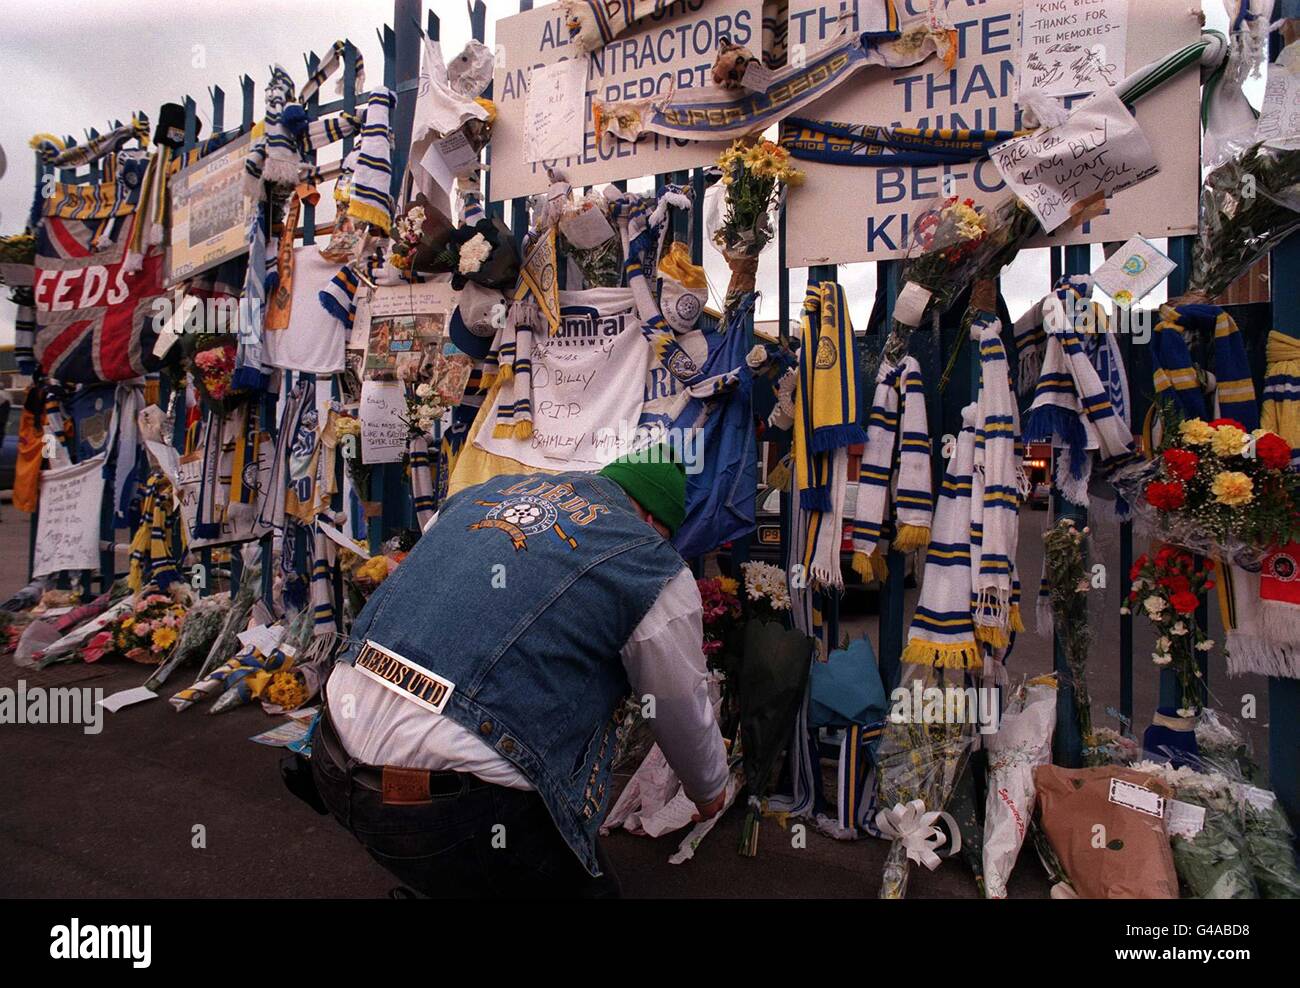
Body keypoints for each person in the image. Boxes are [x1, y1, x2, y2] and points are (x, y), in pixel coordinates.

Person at [311, 452, 728, 897]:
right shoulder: (649, 562)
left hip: (329, 756)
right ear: (650, 518)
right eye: (666, 534)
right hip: (442, 814)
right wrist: (709, 789)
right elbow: (677, 699)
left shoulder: (479, 496)